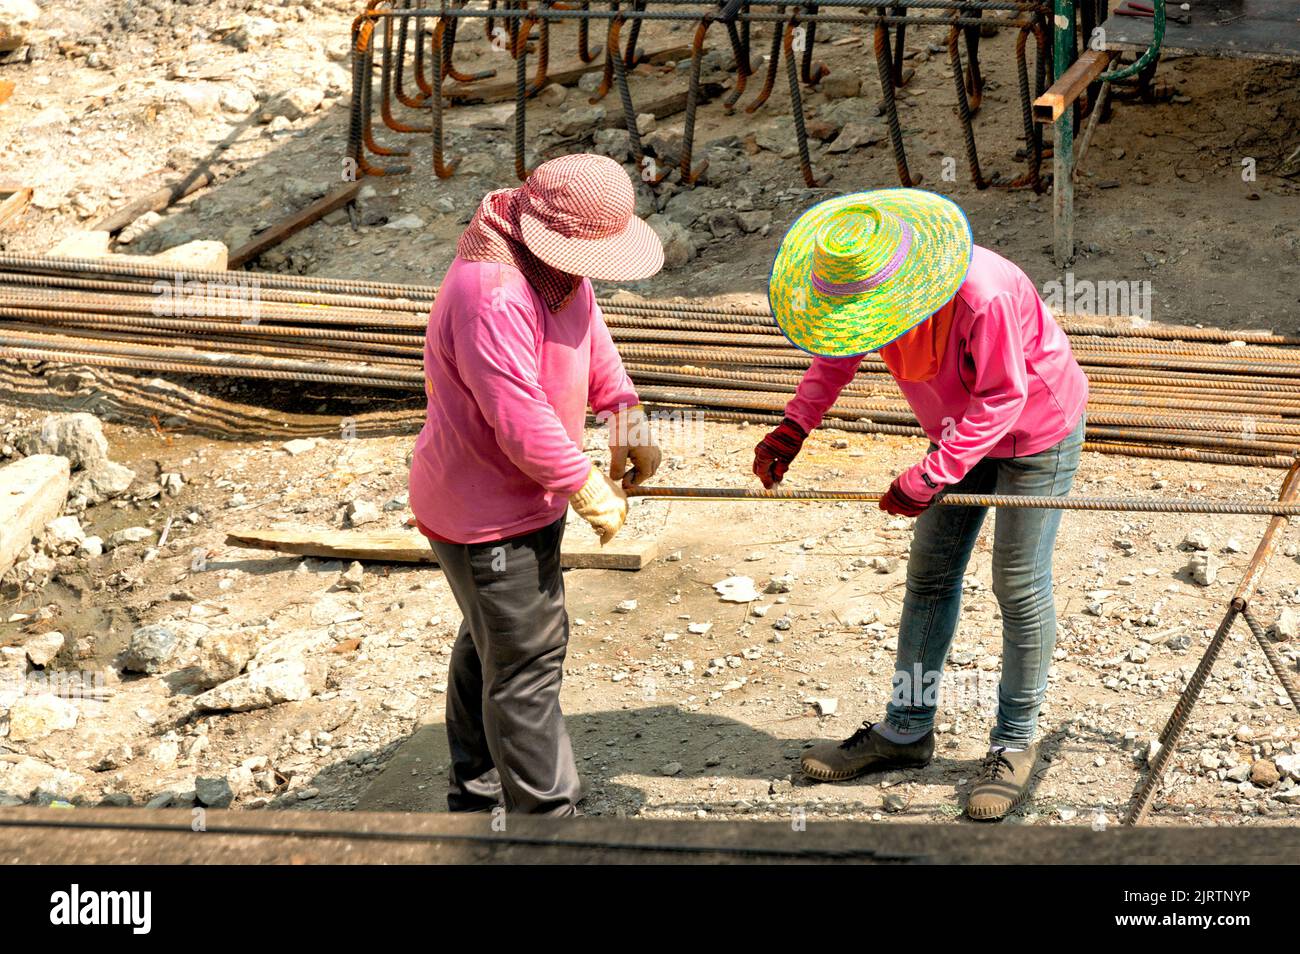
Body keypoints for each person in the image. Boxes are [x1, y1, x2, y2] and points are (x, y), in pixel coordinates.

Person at [755, 189, 1088, 820]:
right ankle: (907, 731)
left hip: (1034, 431)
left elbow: (1001, 396)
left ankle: (1015, 744)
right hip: (958, 432)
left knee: (1018, 585)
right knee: (930, 578)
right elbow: (837, 354)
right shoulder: (867, 302)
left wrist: (930, 476)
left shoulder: (978, 295)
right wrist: (794, 426)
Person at [408, 154, 664, 816]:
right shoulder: (491, 291)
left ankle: (478, 785)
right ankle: (551, 822)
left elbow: (590, 336)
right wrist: (585, 485)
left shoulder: (550, 266)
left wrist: (624, 414)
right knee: (527, 663)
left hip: (522, 498)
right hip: (487, 513)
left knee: (492, 637)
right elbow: (517, 414)